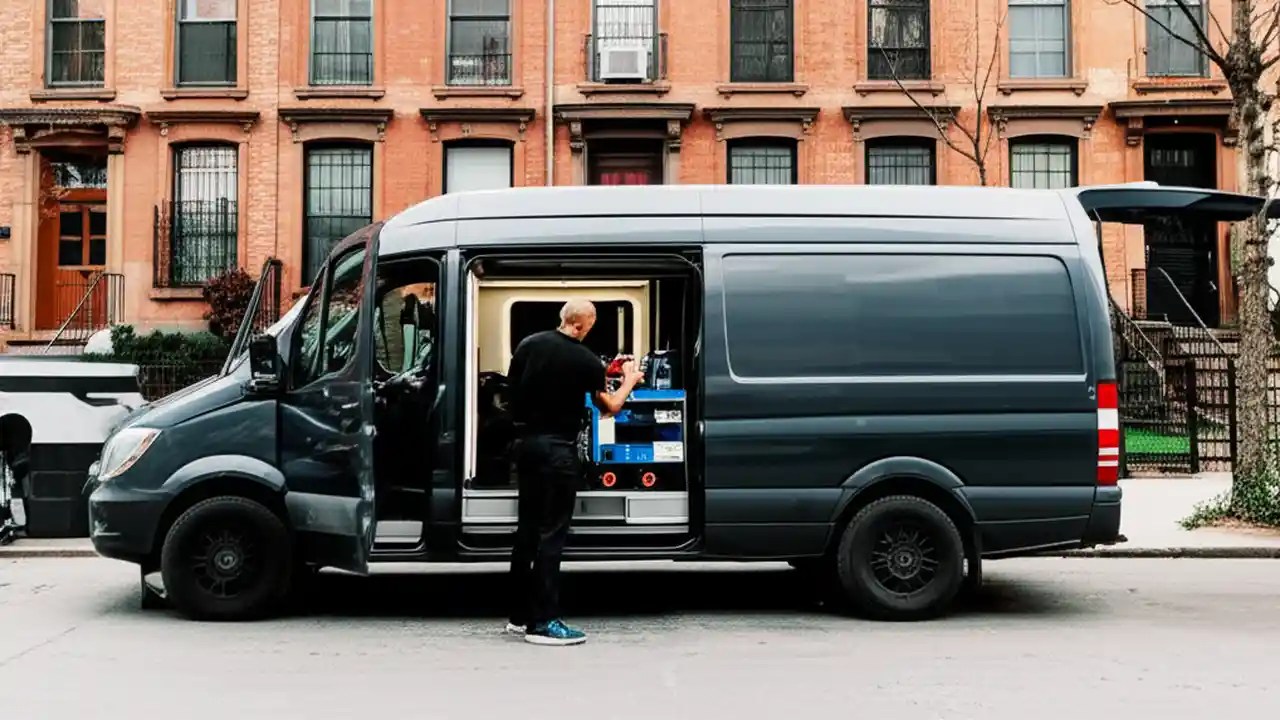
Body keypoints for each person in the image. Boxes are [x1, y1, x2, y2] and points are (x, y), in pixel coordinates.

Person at [504, 298, 643, 646]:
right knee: (552, 536)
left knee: (528, 532)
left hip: (526, 446)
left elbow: (512, 391)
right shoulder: (585, 359)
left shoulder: (528, 344)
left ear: (563, 318)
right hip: (557, 452)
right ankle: (544, 622)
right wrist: (629, 380)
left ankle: (518, 617)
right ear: (584, 325)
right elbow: (608, 408)